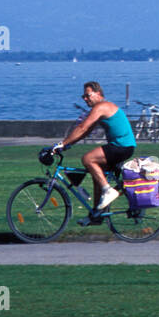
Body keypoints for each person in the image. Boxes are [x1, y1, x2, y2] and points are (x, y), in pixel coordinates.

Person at [50, 81, 137, 224]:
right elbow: (86, 131)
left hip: (122, 146)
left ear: (98, 94)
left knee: (88, 159)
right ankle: (96, 216)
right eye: (83, 96)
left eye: (87, 95)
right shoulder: (99, 109)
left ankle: (108, 191)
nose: (85, 99)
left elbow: (83, 127)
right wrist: (67, 145)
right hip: (122, 146)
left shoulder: (101, 107)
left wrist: (62, 144)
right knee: (98, 176)